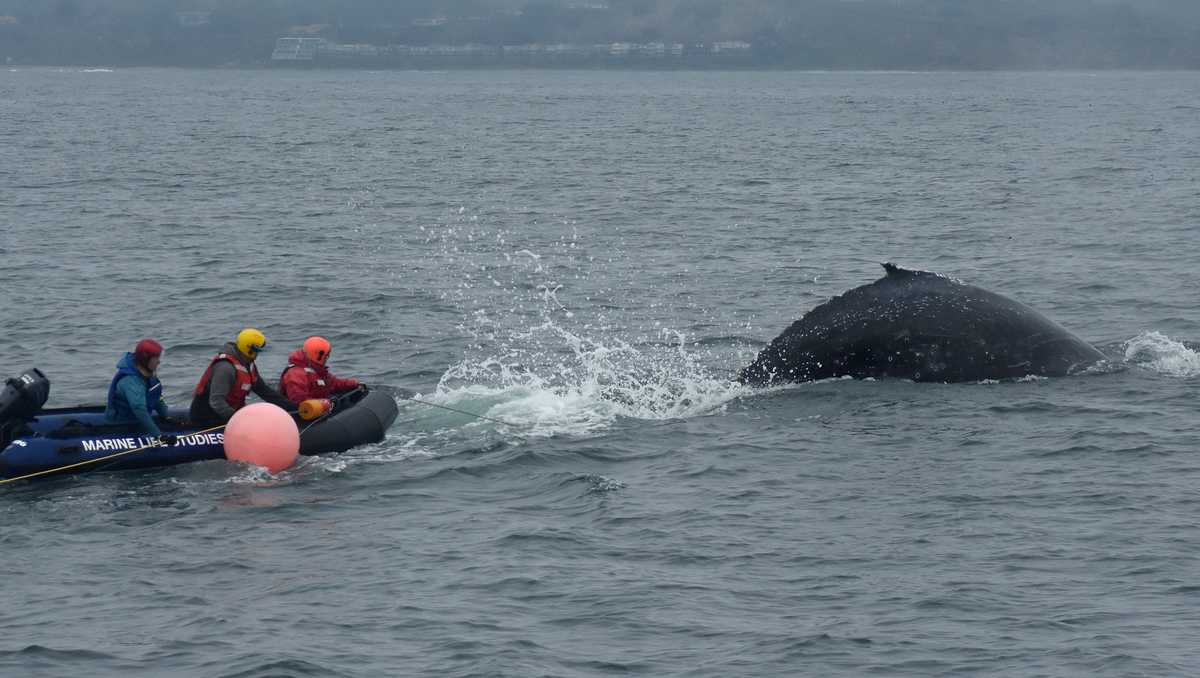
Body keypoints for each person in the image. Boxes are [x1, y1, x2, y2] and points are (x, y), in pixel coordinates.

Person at [190, 328, 292, 425]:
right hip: (207, 418)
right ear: (249, 349)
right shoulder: (225, 368)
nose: (257, 354)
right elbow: (216, 401)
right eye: (257, 350)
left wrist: (292, 406)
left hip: (229, 415)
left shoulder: (249, 365)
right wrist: (238, 419)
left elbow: (264, 391)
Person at [105, 338, 175, 444]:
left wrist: (167, 416)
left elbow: (156, 398)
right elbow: (139, 409)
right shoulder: (131, 381)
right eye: (156, 358)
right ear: (145, 359)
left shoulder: (148, 374)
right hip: (121, 425)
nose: (159, 362)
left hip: (136, 422)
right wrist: (158, 436)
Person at [278, 336, 361, 404]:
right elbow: (299, 401)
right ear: (319, 356)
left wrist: (353, 383)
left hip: (320, 406)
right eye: (326, 356)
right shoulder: (295, 374)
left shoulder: (317, 370)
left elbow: (333, 383)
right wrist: (324, 403)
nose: (327, 358)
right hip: (305, 415)